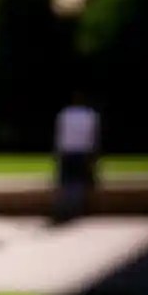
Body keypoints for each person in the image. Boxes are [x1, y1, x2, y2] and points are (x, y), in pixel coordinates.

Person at [52, 92, 100, 223]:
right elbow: (93, 136)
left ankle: (63, 209)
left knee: (65, 182)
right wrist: (94, 153)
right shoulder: (90, 114)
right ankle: (75, 210)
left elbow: (59, 134)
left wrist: (57, 151)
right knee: (78, 182)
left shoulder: (64, 113)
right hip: (82, 150)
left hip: (67, 150)